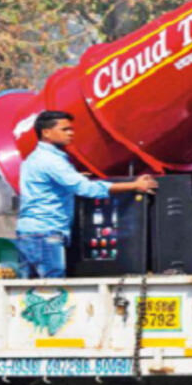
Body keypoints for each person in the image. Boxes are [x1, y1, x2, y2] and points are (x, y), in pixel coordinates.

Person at [18, 111, 156, 278]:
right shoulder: (51, 161)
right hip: (46, 233)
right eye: (65, 129)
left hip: (29, 232)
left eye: (71, 129)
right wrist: (134, 185)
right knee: (52, 287)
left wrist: (73, 177)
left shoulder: (34, 158)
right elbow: (86, 189)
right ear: (46, 132)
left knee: (28, 289)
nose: (71, 133)